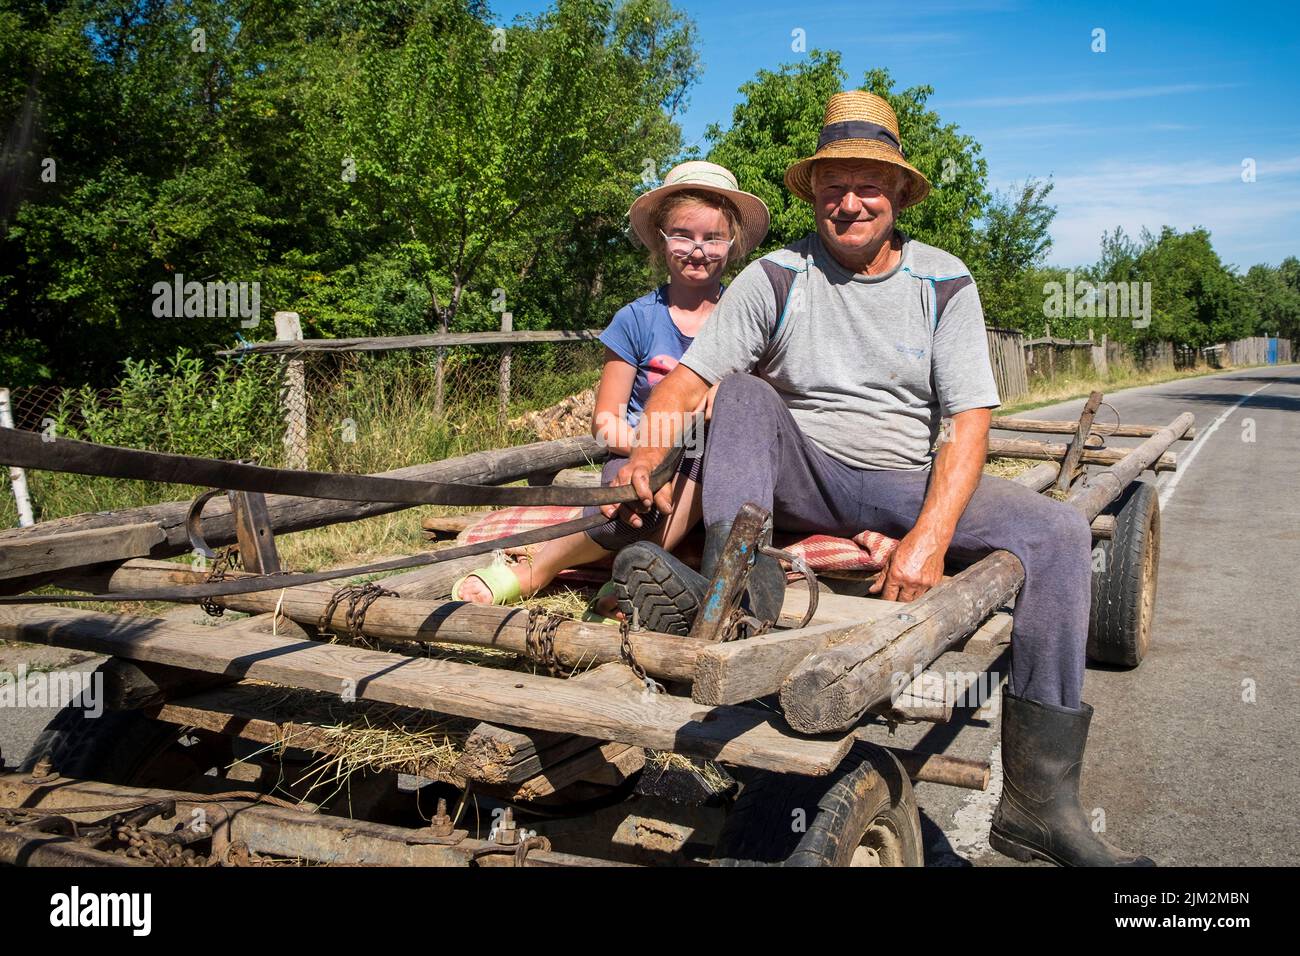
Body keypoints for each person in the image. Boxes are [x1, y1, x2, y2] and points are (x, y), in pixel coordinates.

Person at [601, 91, 1154, 867]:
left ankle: (1040, 805)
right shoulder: (775, 276)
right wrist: (644, 460)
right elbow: (690, 384)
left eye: (868, 186)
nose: (849, 203)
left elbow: (968, 424)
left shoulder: (943, 281)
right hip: (803, 475)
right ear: (815, 194)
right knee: (748, 395)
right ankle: (729, 593)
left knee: (1060, 532)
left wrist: (928, 538)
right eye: (834, 187)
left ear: (897, 193)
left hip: (902, 479)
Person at [453, 161, 769, 615]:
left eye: (713, 237)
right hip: (636, 456)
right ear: (661, 241)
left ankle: (625, 573)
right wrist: (649, 449)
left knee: (704, 461)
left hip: (711, 466)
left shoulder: (747, 319)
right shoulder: (636, 320)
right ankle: (543, 569)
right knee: (633, 507)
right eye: (683, 235)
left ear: (732, 243)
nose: (698, 250)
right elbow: (606, 423)